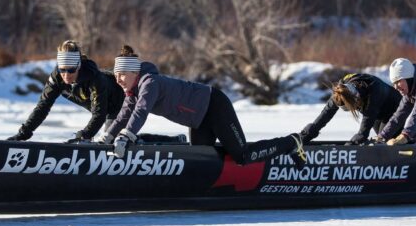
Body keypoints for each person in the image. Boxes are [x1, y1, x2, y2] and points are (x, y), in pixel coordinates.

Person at [97, 45, 307, 167]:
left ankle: (291, 142)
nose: (118, 80)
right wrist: (108, 136)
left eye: (122, 74)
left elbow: (141, 111)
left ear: (135, 73)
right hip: (198, 119)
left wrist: (126, 136)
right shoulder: (132, 91)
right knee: (200, 161)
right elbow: (125, 113)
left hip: (214, 105)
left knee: (242, 156)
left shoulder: (150, 83)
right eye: (116, 75)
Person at [7, 40, 182, 144]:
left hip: (118, 103)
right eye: (62, 70)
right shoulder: (57, 79)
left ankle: (172, 142)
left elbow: (99, 114)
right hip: (101, 109)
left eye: (71, 70)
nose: (66, 75)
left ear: (79, 66)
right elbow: (42, 107)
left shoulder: (94, 79)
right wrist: (23, 134)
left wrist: (85, 136)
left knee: (117, 141)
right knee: (111, 140)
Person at [298, 72, 416, 144]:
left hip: (394, 107)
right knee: (385, 138)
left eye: (353, 107)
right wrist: (307, 134)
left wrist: (359, 139)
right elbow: (325, 115)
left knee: (387, 140)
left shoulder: (374, 90)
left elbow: (367, 120)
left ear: (357, 99)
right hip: (378, 113)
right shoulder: (341, 92)